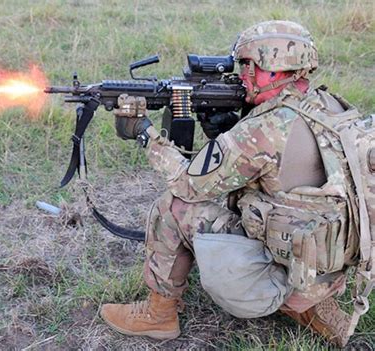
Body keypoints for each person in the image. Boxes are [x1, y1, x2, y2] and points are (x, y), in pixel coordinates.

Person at [99, 20, 363, 347]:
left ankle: (159, 314)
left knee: (175, 205)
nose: (243, 75)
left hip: (275, 277)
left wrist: (144, 133)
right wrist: (224, 132)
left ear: (278, 69)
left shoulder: (266, 127)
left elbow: (188, 183)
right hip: (328, 267)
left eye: (252, 66)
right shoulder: (335, 107)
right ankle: (310, 302)